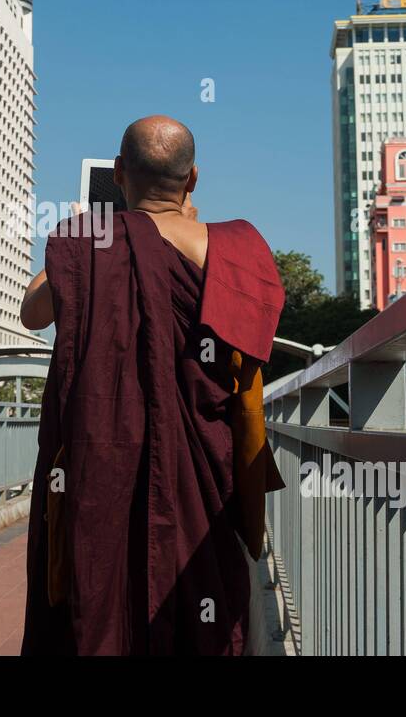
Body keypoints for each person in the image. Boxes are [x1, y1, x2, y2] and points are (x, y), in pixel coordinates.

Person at [19, 115, 285, 655]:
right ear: (193, 180)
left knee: (100, 594)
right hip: (203, 473)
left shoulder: (82, 242)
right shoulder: (235, 247)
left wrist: (95, 228)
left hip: (100, 468)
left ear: (118, 173)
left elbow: (32, 312)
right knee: (202, 610)